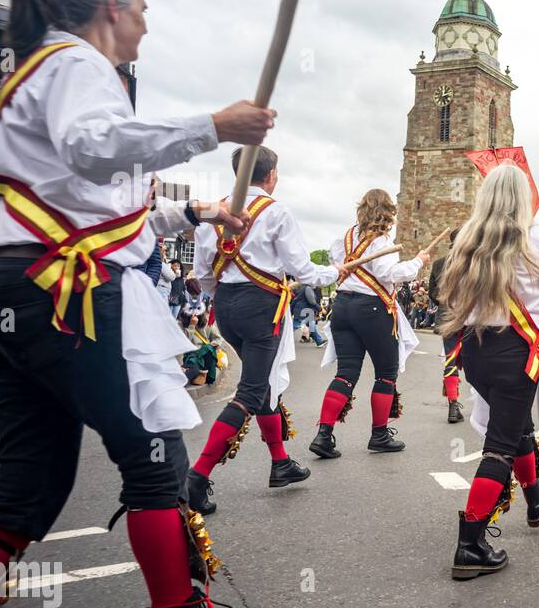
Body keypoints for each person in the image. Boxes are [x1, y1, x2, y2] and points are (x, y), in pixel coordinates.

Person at [0, 0, 280, 608]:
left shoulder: (39, 72)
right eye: (140, 7)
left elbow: (102, 207)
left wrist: (198, 217)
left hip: (19, 281)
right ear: (110, 6)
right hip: (62, 291)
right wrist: (214, 126)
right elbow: (96, 148)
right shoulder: (77, 65)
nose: (145, 22)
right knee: (151, 457)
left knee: (26, 494)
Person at [438, 163, 539, 578]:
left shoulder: (467, 242)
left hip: (474, 351)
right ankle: (469, 545)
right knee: (500, 445)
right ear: (523, 199)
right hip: (515, 354)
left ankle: (535, 495)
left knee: (515, 426)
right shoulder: (536, 241)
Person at [186, 146, 340, 516]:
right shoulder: (278, 211)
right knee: (252, 391)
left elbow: (204, 274)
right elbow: (302, 271)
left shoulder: (213, 212)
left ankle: (280, 462)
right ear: (271, 175)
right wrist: (337, 272)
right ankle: (196, 476)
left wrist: (224, 296)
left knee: (265, 380)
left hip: (226, 305)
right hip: (262, 308)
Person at [310, 188, 428, 459]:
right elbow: (390, 273)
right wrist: (418, 262)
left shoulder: (346, 238)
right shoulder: (382, 240)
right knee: (386, 372)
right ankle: (379, 434)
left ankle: (324, 434)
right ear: (387, 212)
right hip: (372, 309)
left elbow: (334, 260)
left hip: (342, 306)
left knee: (346, 372)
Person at [427, 228, 465, 424]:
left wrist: (444, 303)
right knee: (481, 360)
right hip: (471, 317)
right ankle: (488, 408)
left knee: (450, 360)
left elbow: (433, 292)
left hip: (447, 315)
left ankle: (453, 405)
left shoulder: (439, 263)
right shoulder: (473, 261)